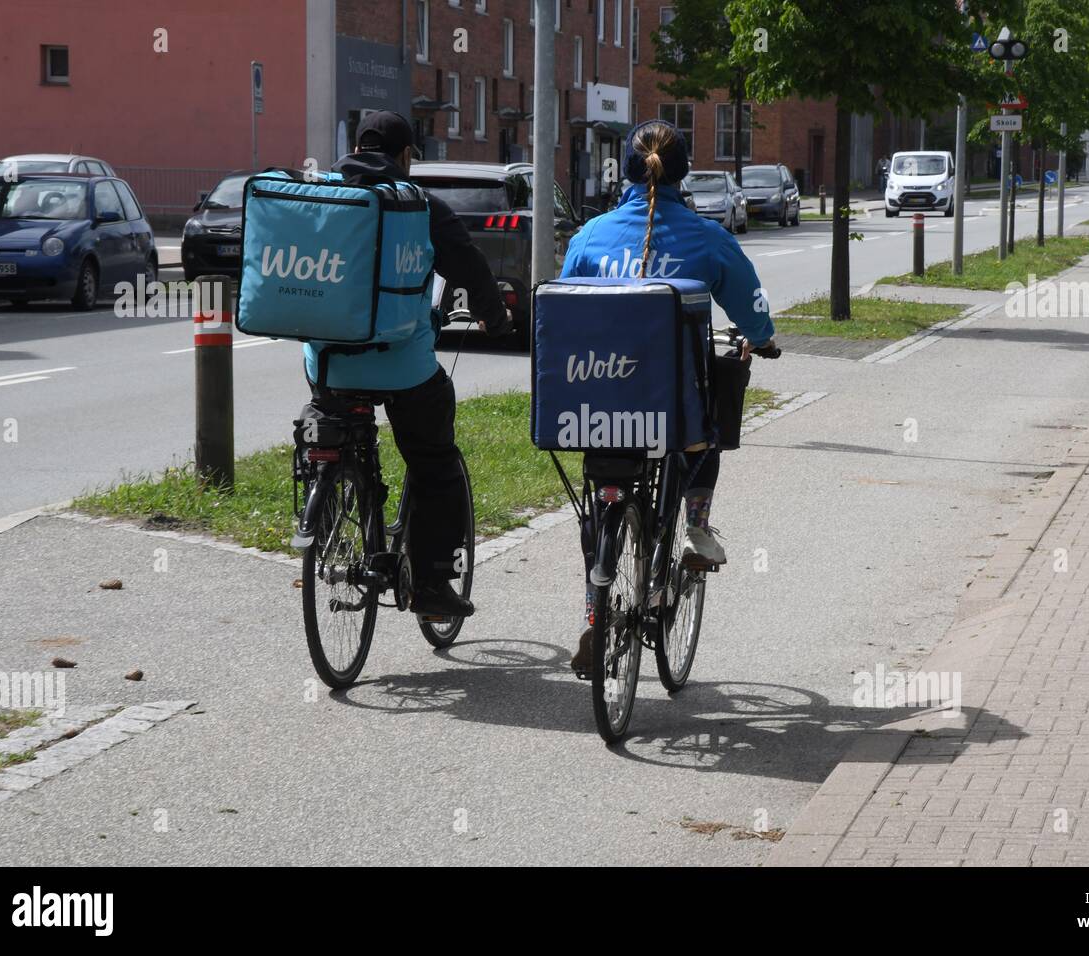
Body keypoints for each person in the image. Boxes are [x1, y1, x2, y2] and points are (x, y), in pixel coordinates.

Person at [558, 119, 776, 673]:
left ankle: (596, 606)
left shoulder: (589, 237)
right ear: (683, 175)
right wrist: (763, 339)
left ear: (626, 172)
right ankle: (697, 528)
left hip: (599, 401)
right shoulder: (708, 239)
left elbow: (564, 309)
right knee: (708, 422)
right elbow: (751, 306)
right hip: (674, 406)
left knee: (599, 499)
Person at [304, 110, 511, 618]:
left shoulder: (317, 197)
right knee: (433, 461)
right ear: (403, 156)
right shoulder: (419, 206)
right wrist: (494, 316)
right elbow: (468, 265)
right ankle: (433, 585)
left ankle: (327, 514)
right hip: (404, 369)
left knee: (331, 424)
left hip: (328, 363)